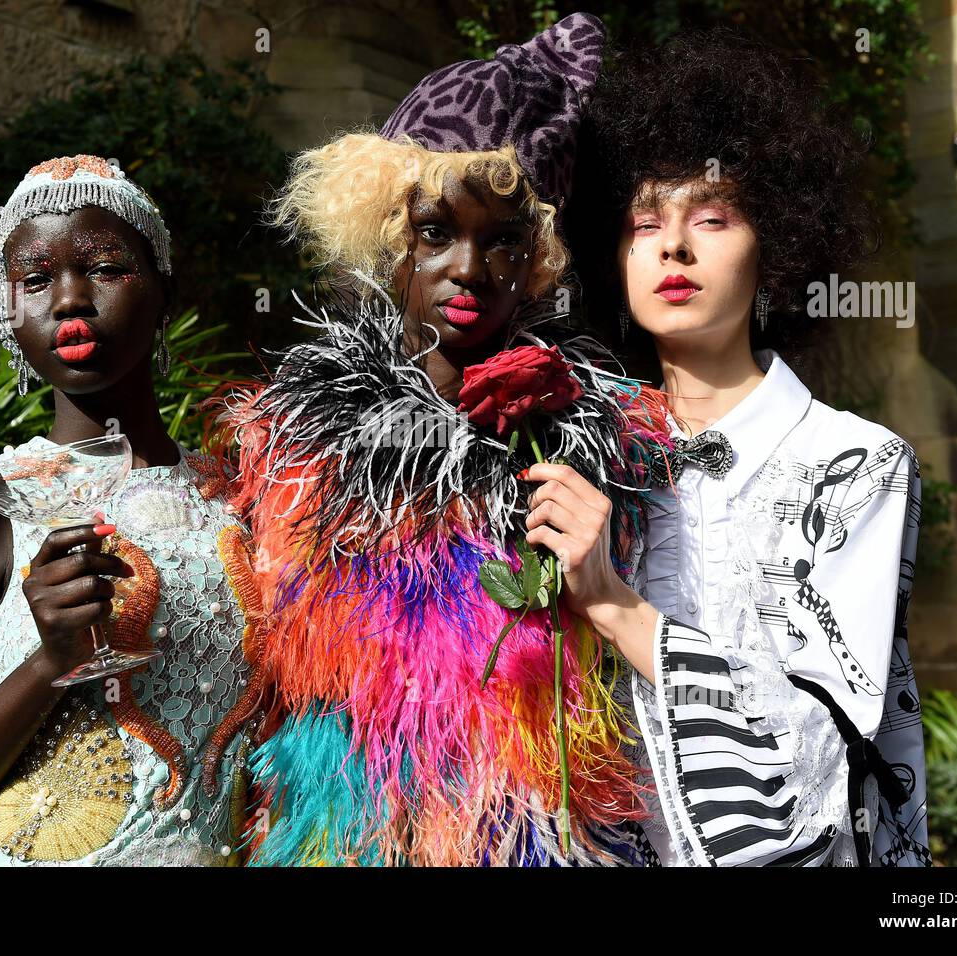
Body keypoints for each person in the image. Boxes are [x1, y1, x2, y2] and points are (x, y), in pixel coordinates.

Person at [200, 13, 672, 866]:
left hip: (530, 838)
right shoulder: (297, 445)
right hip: (342, 840)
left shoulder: (598, 452)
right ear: (390, 240)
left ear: (540, 259)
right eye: (436, 232)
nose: (467, 269)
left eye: (503, 241)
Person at [557, 28, 931, 866]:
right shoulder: (585, 459)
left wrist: (613, 604)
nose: (673, 246)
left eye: (712, 218)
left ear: (776, 248)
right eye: (643, 222)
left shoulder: (858, 465)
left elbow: (814, 766)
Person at [0, 155, 254, 866]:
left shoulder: (248, 501)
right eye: (34, 280)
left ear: (165, 290)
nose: (69, 299)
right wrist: (51, 663)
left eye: (105, 268)